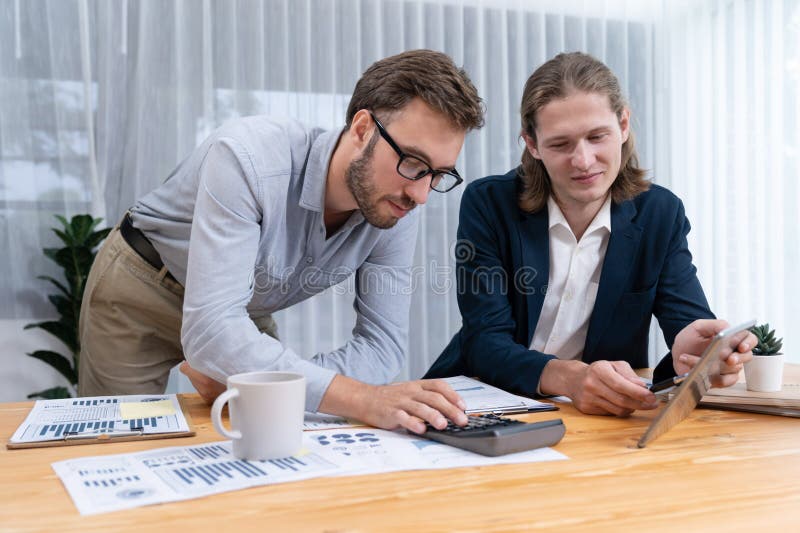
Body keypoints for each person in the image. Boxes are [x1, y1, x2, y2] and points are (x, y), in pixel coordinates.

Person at [78, 49, 485, 434]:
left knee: (269, 438)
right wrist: (361, 398)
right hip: (143, 287)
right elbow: (212, 329)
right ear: (362, 129)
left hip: (244, 310)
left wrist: (274, 388)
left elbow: (382, 345)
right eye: (412, 163)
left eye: (438, 175)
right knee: (118, 443)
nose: (421, 195)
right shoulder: (248, 156)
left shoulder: (396, 205)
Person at [425, 52, 755, 416]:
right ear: (532, 145)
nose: (583, 161)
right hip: (480, 404)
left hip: (598, 417)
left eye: (597, 136)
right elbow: (484, 342)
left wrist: (694, 355)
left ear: (624, 124)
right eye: (560, 144)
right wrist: (568, 378)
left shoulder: (660, 214)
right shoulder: (489, 204)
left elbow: (689, 331)